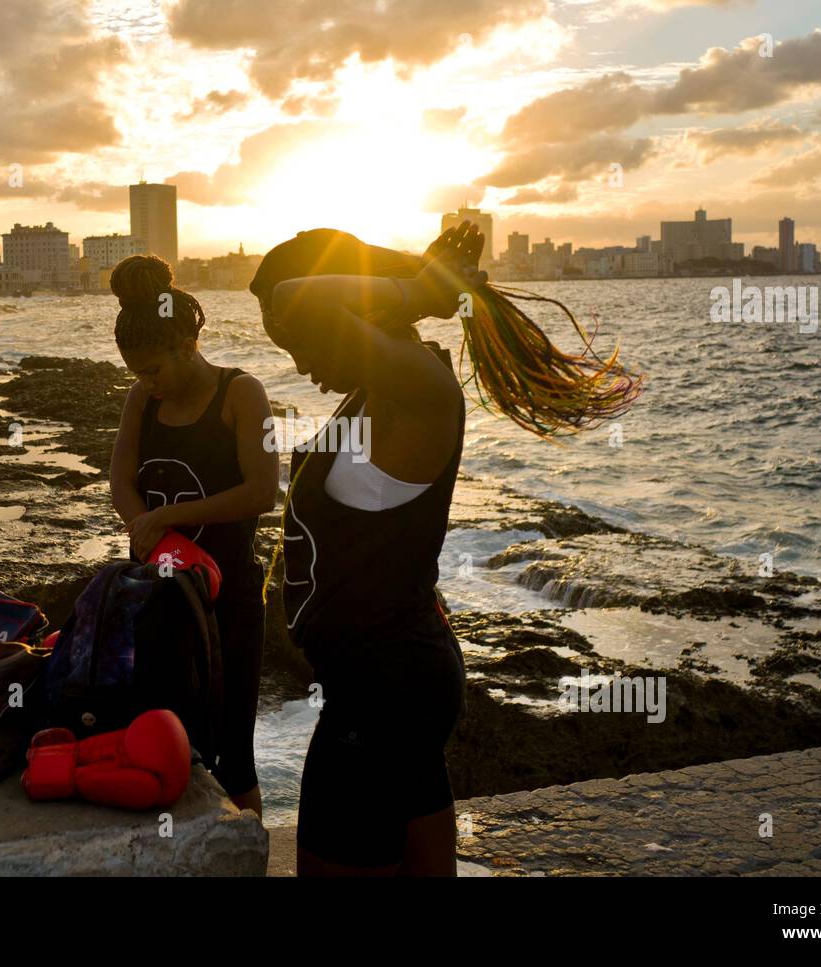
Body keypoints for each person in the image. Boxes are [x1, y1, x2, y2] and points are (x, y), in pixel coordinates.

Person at [250, 222, 641, 876]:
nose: (296, 359)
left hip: (381, 693)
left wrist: (413, 289)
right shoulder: (382, 389)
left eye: (294, 338)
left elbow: (295, 291)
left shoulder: (422, 390)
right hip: (390, 679)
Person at [108, 254, 279, 818]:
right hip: (161, 598)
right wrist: (144, 527)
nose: (146, 384)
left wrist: (168, 519)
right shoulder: (141, 400)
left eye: (152, 370)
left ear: (185, 346)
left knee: (234, 755)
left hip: (228, 605)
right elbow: (122, 481)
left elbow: (262, 491)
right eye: (136, 373)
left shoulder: (241, 394)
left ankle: (247, 854)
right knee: (168, 742)